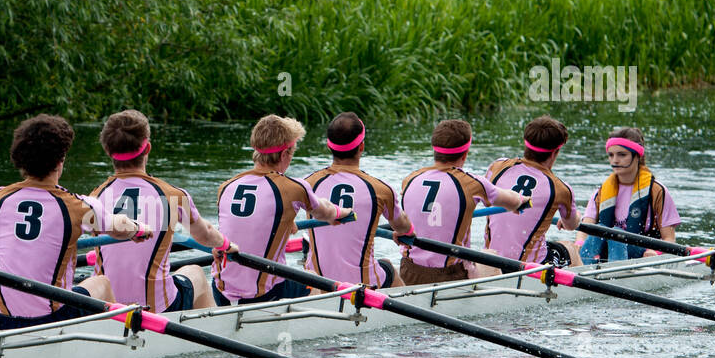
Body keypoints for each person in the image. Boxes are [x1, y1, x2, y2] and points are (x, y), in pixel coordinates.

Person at [0, 114, 152, 331]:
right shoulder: (77, 207)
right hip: (48, 320)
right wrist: (138, 229)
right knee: (101, 283)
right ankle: (117, 341)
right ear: (60, 161)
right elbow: (118, 228)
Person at [90, 110, 235, 311]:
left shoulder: (93, 198)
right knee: (196, 273)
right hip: (157, 308)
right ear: (147, 147)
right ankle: (208, 335)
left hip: (106, 308)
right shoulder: (173, 196)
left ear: (107, 150)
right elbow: (205, 235)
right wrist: (225, 245)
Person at [212, 115, 353, 306]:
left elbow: (246, 223)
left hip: (220, 290)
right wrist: (342, 213)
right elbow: (325, 212)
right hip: (267, 294)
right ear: (285, 153)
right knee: (313, 278)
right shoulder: (294, 187)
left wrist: (284, 222)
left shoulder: (226, 187)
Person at [399, 119, 531, 285]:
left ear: (435, 150)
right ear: (465, 154)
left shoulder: (410, 179)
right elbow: (509, 200)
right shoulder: (472, 183)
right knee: (492, 256)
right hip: (451, 274)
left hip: (409, 270)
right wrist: (521, 201)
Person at [304, 111, 413, 288]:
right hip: (363, 285)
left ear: (328, 146)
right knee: (388, 267)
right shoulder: (381, 189)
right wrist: (407, 233)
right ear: (361, 147)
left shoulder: (307, 184)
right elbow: (403, 226)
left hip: (317, 282)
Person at [482, 115, 583, 269]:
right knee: (570, 248)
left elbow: (485, 200)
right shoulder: (560, 189)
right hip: (529, 268)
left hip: (489, 261)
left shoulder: (497, 166)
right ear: (555, 152)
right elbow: (570, 225)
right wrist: (576, 217)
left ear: (526, 144)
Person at [576, 127, 680, 262]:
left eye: (622, 155)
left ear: (637, 156)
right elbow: (585, 230)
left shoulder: (657, 191)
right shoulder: (601, 192)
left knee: (617, 235)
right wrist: (578, 244)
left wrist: (655, 252)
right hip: (607, 250)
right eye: (611, 155)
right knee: (599, 230)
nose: (615, 161)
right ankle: (581, 268)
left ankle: (613, 273)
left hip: (642, 254)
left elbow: (670, 239)